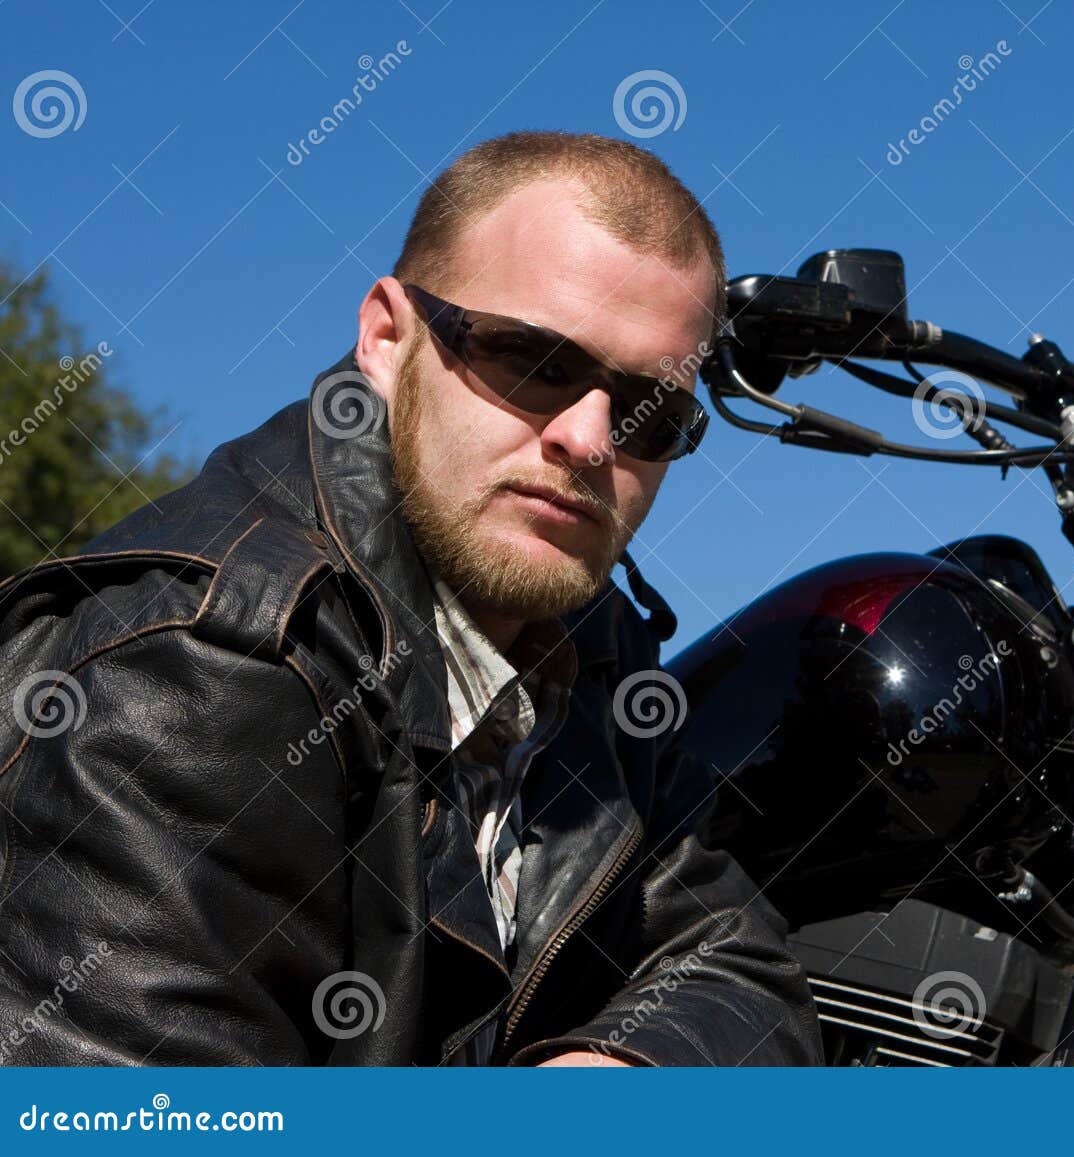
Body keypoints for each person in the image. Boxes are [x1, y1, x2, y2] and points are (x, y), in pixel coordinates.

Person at [0, 130, 822, 1067]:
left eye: (653, 412)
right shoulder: (215, 657)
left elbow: (738, 964)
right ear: (389, 339)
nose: (593, 439)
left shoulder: (593, 647)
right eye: (536, 360)